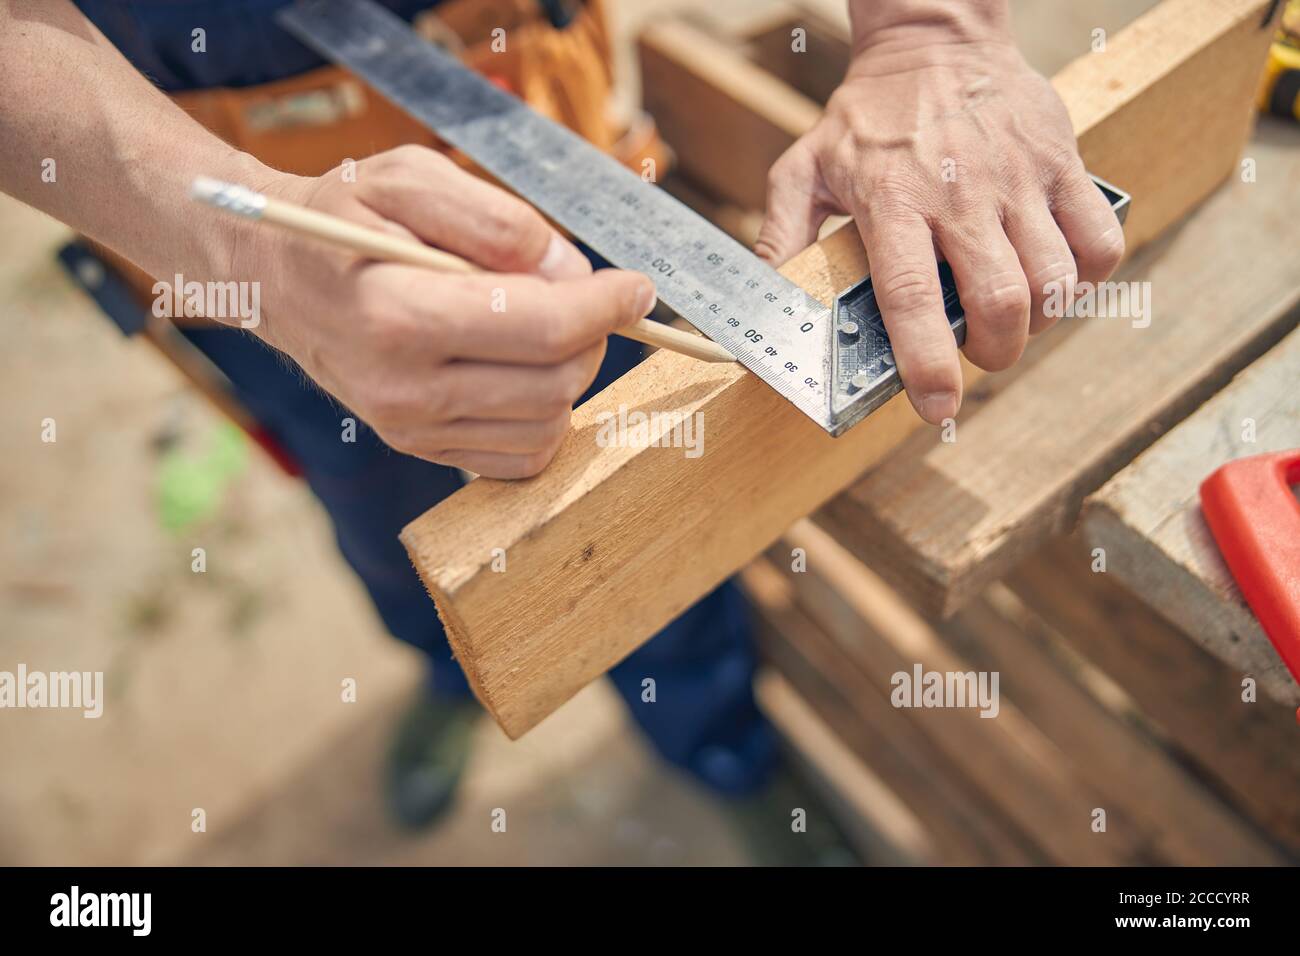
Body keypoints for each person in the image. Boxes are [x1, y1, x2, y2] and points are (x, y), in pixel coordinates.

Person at [0, 0, 1122, 859]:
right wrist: (241, 247)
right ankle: (448, 675)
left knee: (638, 527)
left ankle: (716, 741)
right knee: (388, 524)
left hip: (534, 137)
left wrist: (928, 30)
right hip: (203, 190)